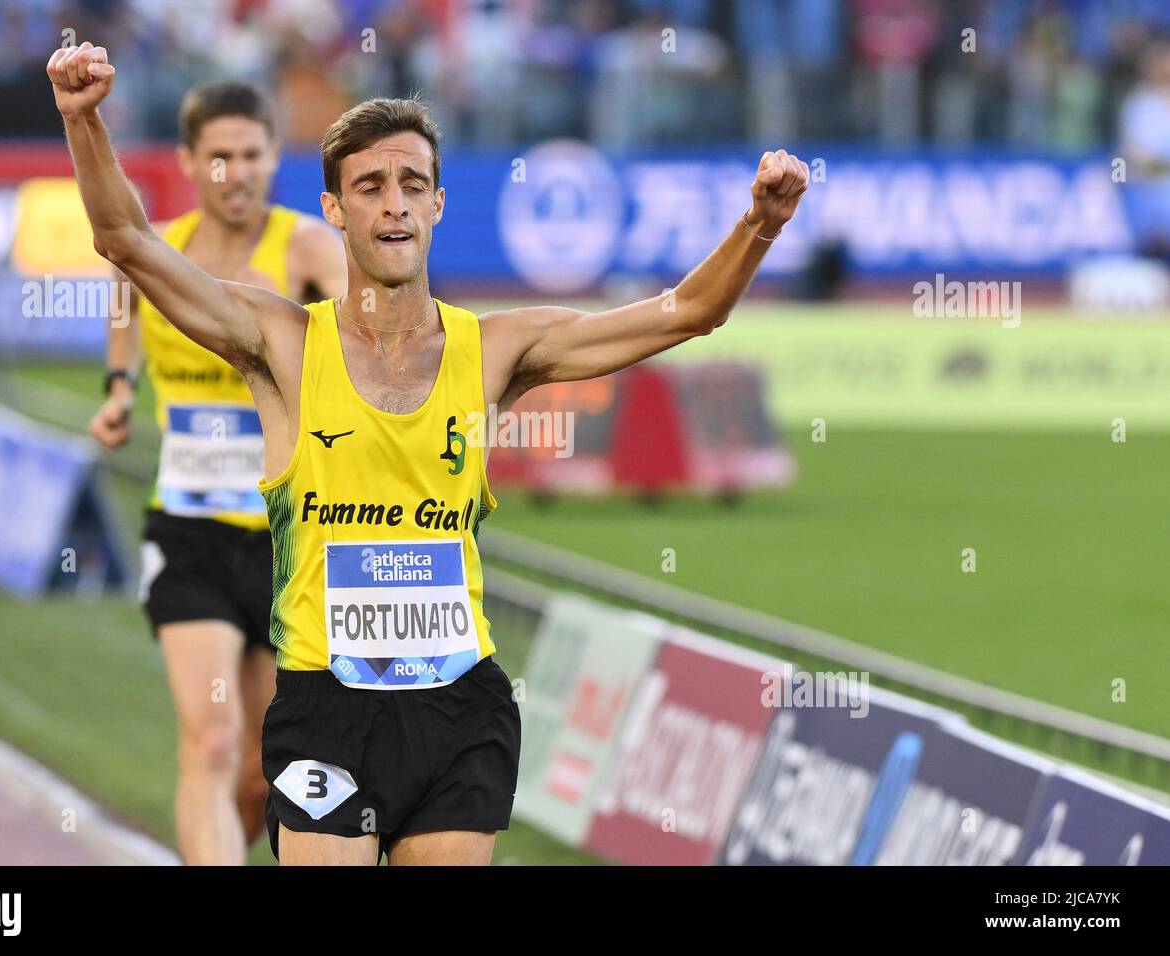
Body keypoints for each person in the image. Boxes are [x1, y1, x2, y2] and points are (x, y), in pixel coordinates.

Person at [50, 40, 808, 866]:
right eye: (370, 187)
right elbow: (125, 238)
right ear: (334, 210)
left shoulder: (496, 349)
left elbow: (686, 312)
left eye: (413, 184)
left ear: (440, 204)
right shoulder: (282, 343)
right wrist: (83, 119)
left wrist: (758, 226)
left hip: (457, 708)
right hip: (325, 706)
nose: (394, 205)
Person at [85, 77, 346, 865]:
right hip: (189, 529)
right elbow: (124, 295)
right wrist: (120, 388)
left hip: (281, 543)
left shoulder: (304, 249)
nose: (239, 173)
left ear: (275, 158)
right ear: (190, 163)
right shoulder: (161, 249)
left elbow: (364, 345)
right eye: (221, 158)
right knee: (210, 738)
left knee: (261, 773)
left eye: (254, 155)